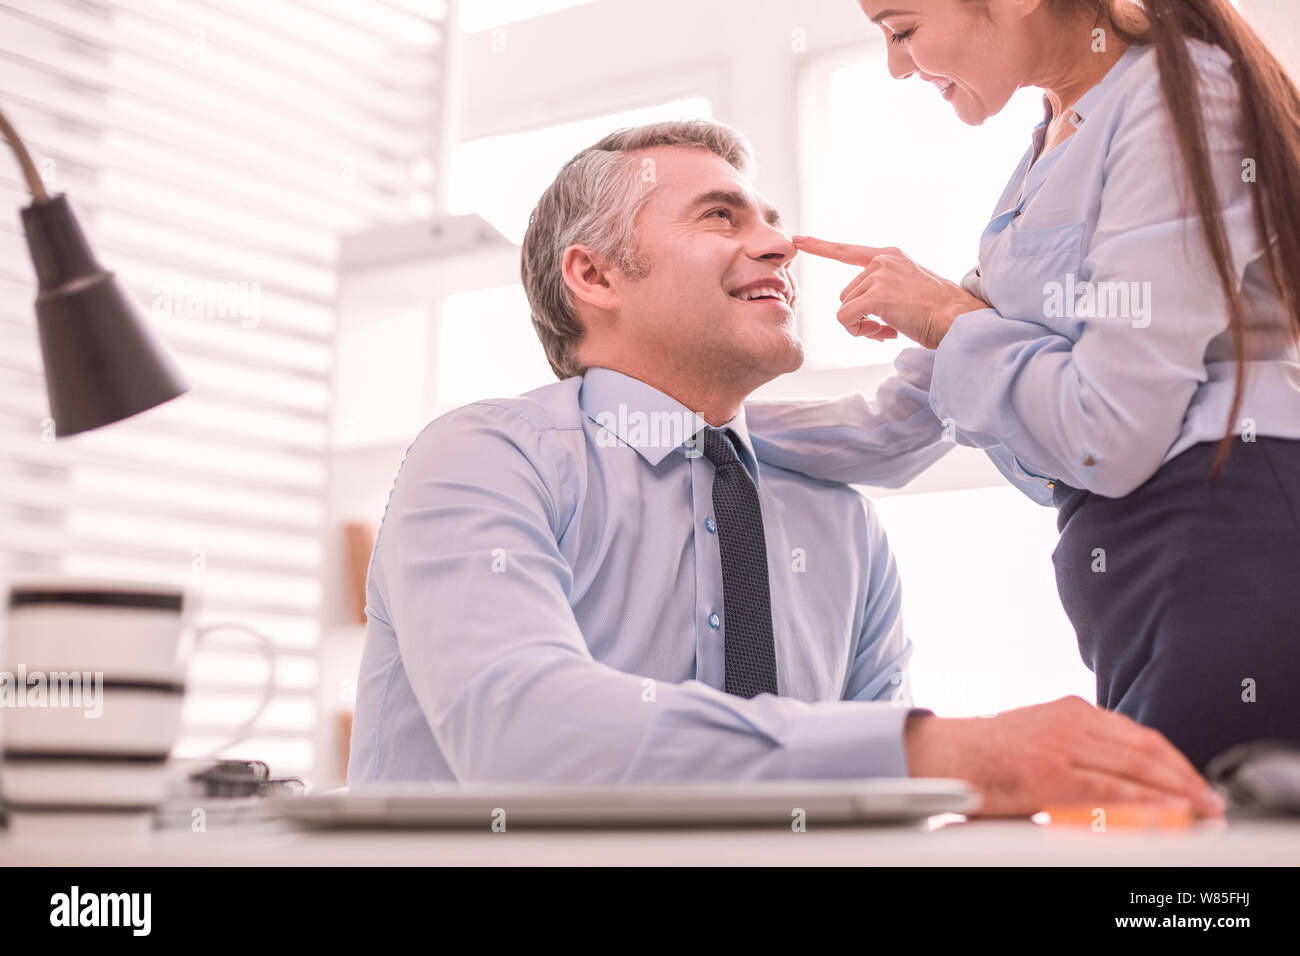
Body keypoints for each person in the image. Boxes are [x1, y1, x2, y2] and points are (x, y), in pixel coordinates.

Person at [348, 119, 1221, 817]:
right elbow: (526, 735)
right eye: (721, 216)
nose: (779, 247)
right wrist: (954, 753)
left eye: (770, 220)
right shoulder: (485, 459)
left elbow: (875, 809)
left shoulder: (836, 519)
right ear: (595, 273)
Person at [745, 0, 1300, 772]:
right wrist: (691, 419)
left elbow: (1107, 434)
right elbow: (896, 423)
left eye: (901, 30)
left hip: (1231, 551)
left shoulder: (1178, 99)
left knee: (1198, 884)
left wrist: (947, 314)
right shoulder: (1058, 131)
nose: (897, 66)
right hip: (1150, 578)